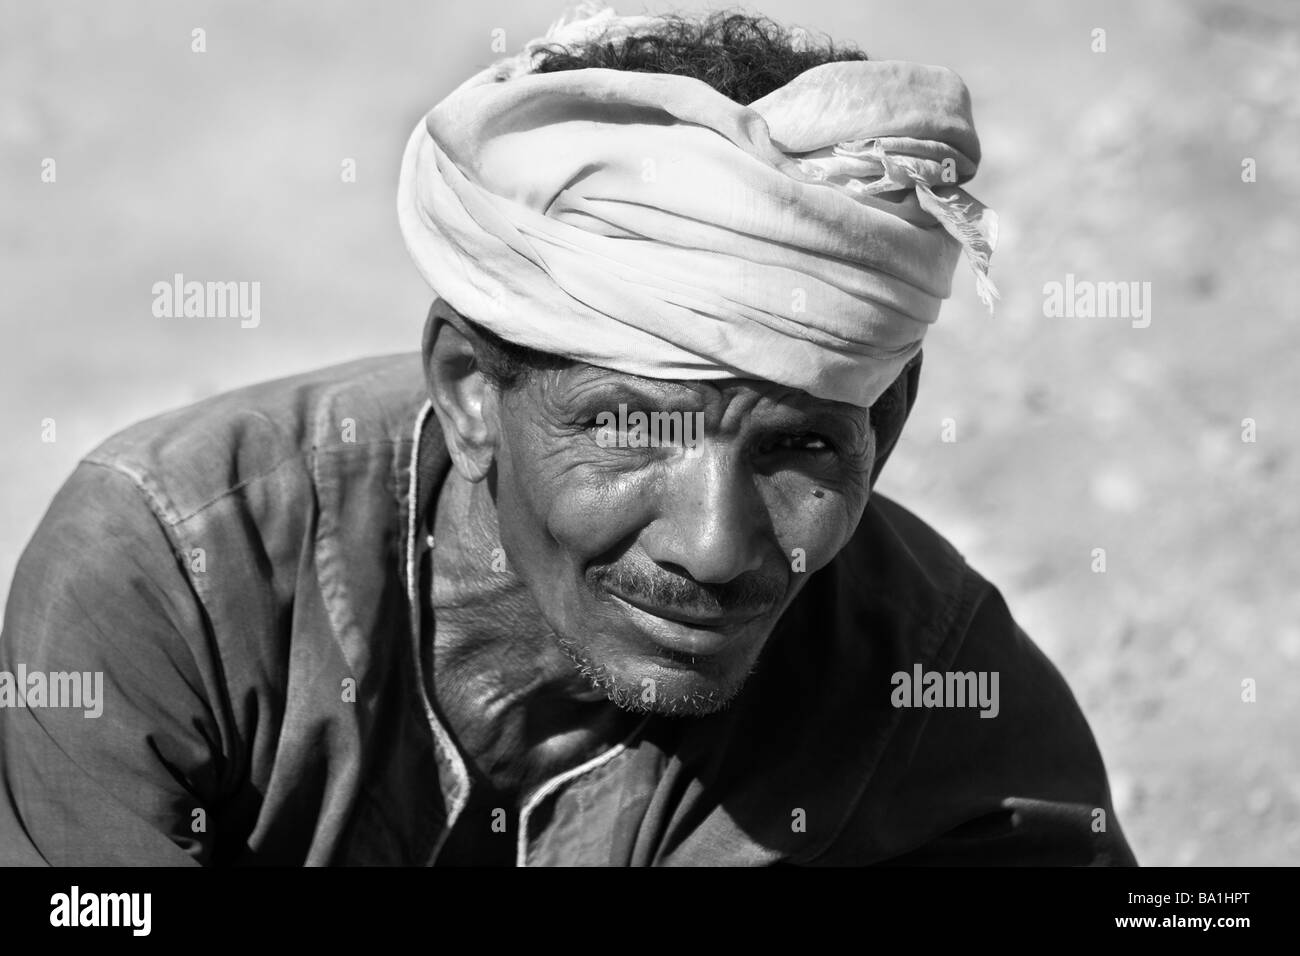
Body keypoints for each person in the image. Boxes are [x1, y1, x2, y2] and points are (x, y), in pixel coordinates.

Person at [0, 4, 1136, 866]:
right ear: (471, 391)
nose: (714, 544)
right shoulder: (172, 576)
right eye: (633, 429)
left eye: (798, 449)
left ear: (883, 429)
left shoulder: (926, 676)